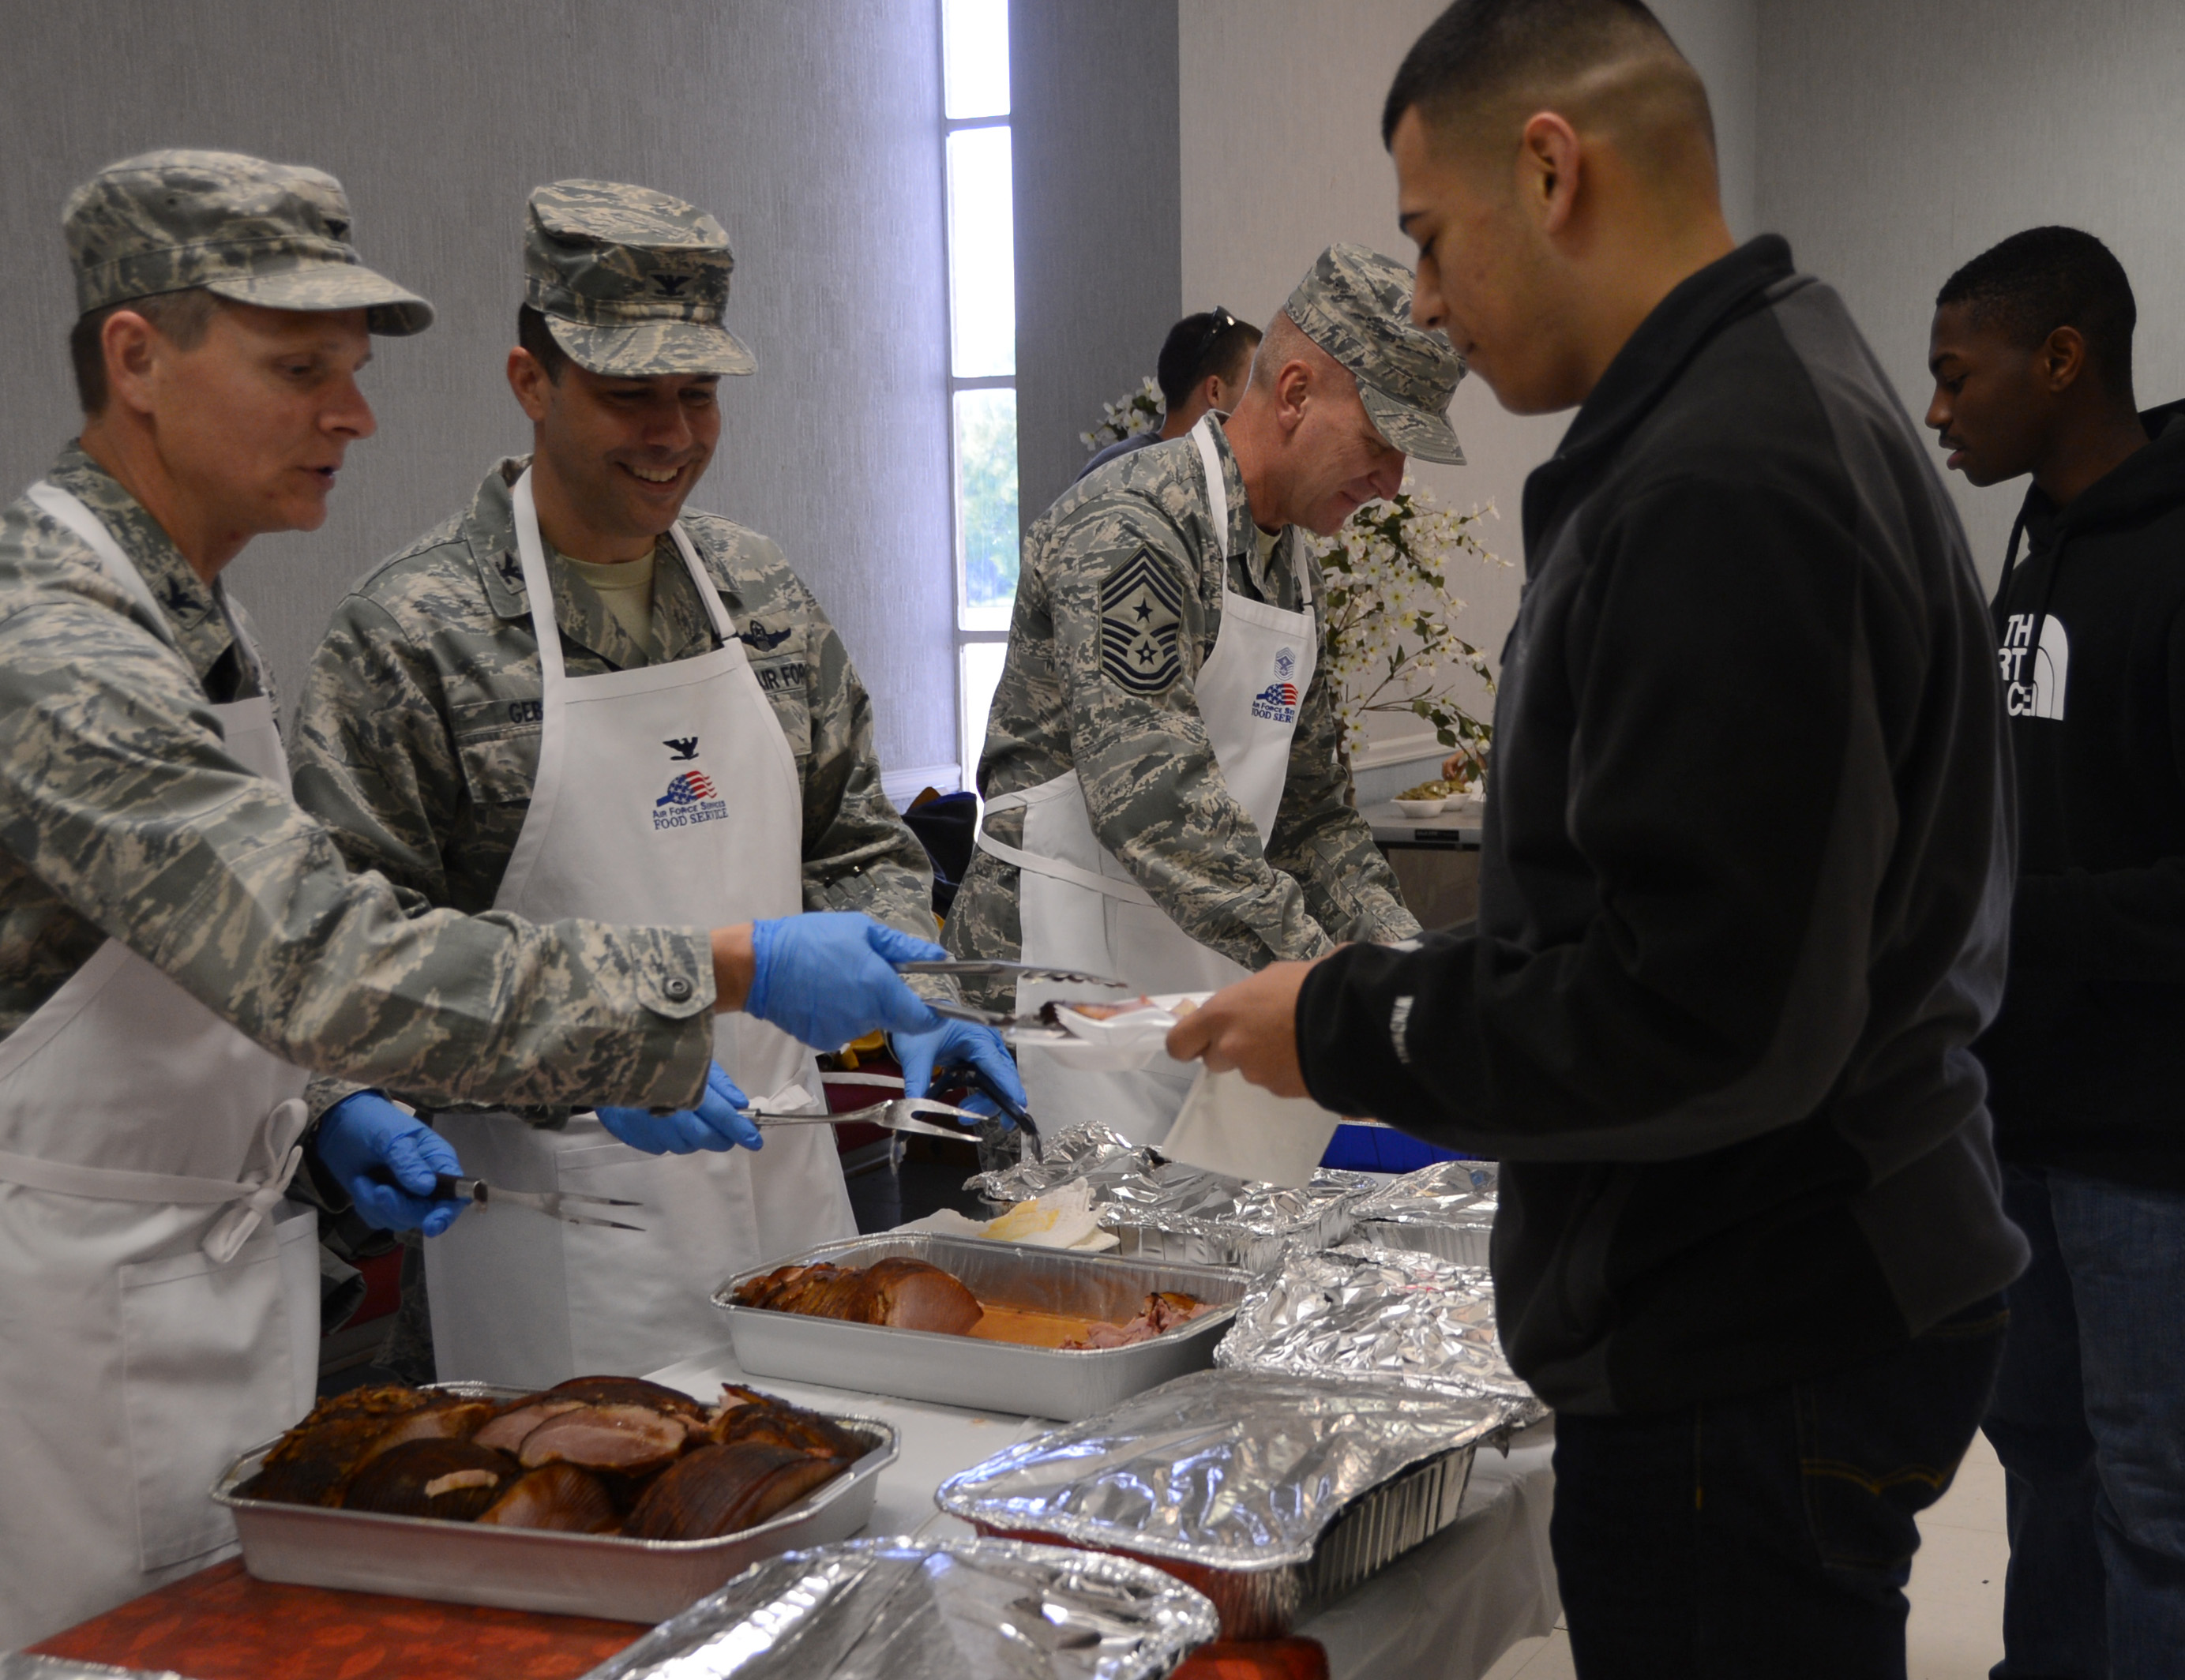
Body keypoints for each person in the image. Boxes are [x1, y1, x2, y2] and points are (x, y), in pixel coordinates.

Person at [1167, 5, 2028, 1674]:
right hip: (1813, 1263)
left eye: (1429, 238)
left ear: (1549, 170)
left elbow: (1705, 1012)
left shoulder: (1727, 473)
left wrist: (1349, 1017)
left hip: (1754, 1313)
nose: (1422, 302)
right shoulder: (1771, 390)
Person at [0, 150, 951, 1648]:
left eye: (354, 368)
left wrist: (316, 1114)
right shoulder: (61, 646)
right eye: (299, 366)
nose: (355, 413)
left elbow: (217, 963)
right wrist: (726, 966)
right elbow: (324, 955)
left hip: (213, 1302)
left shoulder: (199, 621)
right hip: (69, 1330)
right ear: (139, 357)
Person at [287, 179, 1023, 1389]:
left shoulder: (757, 593)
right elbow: (342, 953)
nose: (671, 434)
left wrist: (919, 995)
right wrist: (344, 1102)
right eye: (629, 395)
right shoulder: (415, 633)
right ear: (531, 383)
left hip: (786, 1193)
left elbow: (852, 837)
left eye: (697, 395)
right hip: (547, 1222)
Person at [946, 245, 1455, 1145]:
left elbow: (1314, 821)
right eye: (1380, 444)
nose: (1391, 484)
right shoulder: (1135, 527)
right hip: (1059, 989)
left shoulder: (1290, 567)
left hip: (1185, 975)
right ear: (1292, 394)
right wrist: (1329, 978)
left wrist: (1402, 971)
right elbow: (1155, 804)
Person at [1926, 226, 2185, 1679]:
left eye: (1959, 375)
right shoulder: (2028, 547)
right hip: (2012, 1114)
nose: (1939, 408)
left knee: (2154, 1505)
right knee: (2037, 1462)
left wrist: (2017, 921)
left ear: (2063, 358)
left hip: (2147, 1143)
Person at [1076, 307, 1264, 480]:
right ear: (1215, 391)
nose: (1264, 405)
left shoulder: (1202, 475)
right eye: (1255, 386)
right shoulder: (1131, 475)